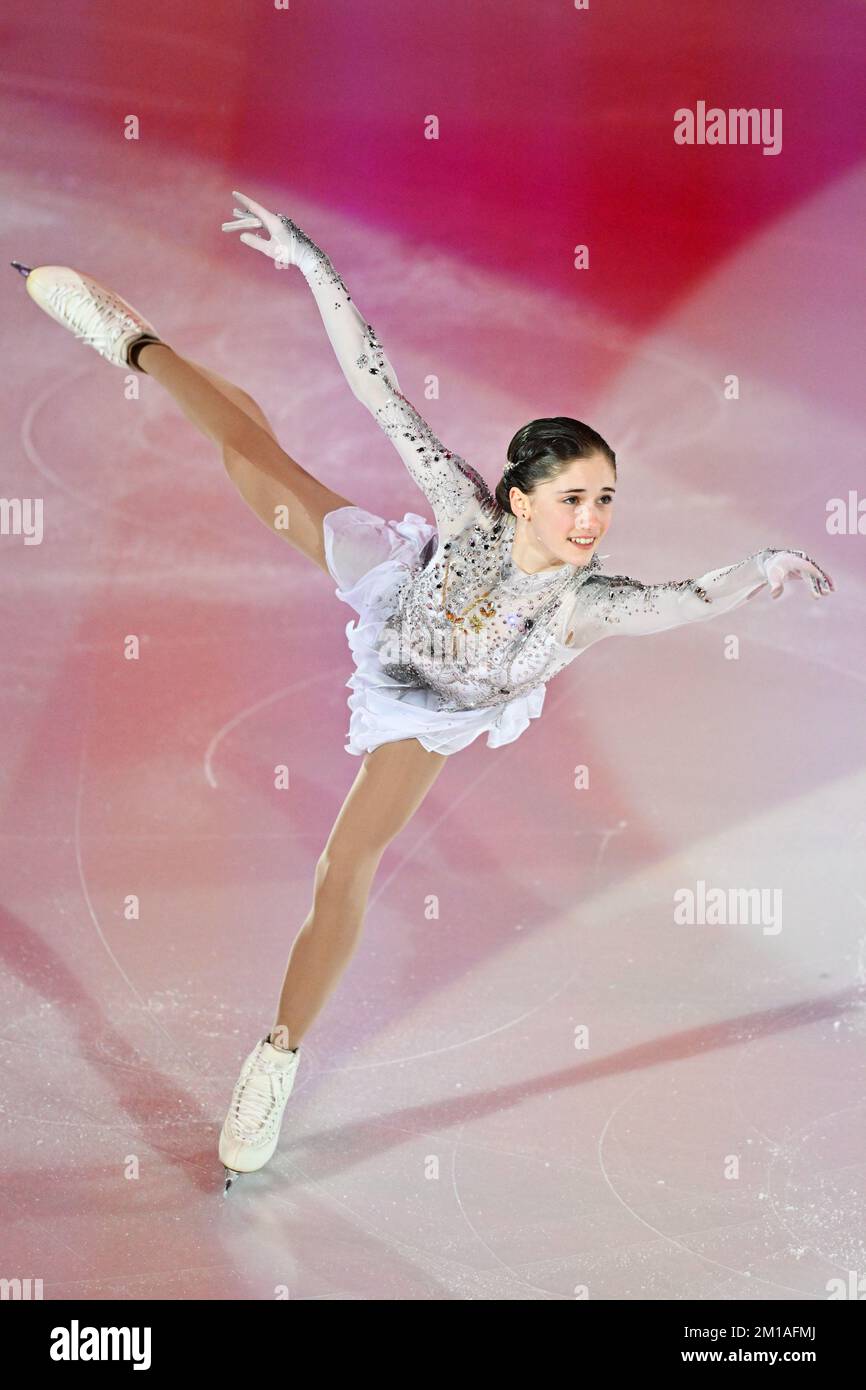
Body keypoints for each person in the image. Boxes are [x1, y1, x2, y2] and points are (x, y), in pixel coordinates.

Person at [11, 192, 835, 1191]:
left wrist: (764, 565)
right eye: (573, 497)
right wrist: (307, 256)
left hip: (429, 706)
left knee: (343, 867)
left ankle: (274, 1054)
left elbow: (689, 597)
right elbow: (372, 380)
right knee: (253, 455)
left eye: (604, 499)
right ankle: (137, 346)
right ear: (519, 496)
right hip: (394, 592)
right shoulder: (461, 503)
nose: (592, 518)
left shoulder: (590, 605)